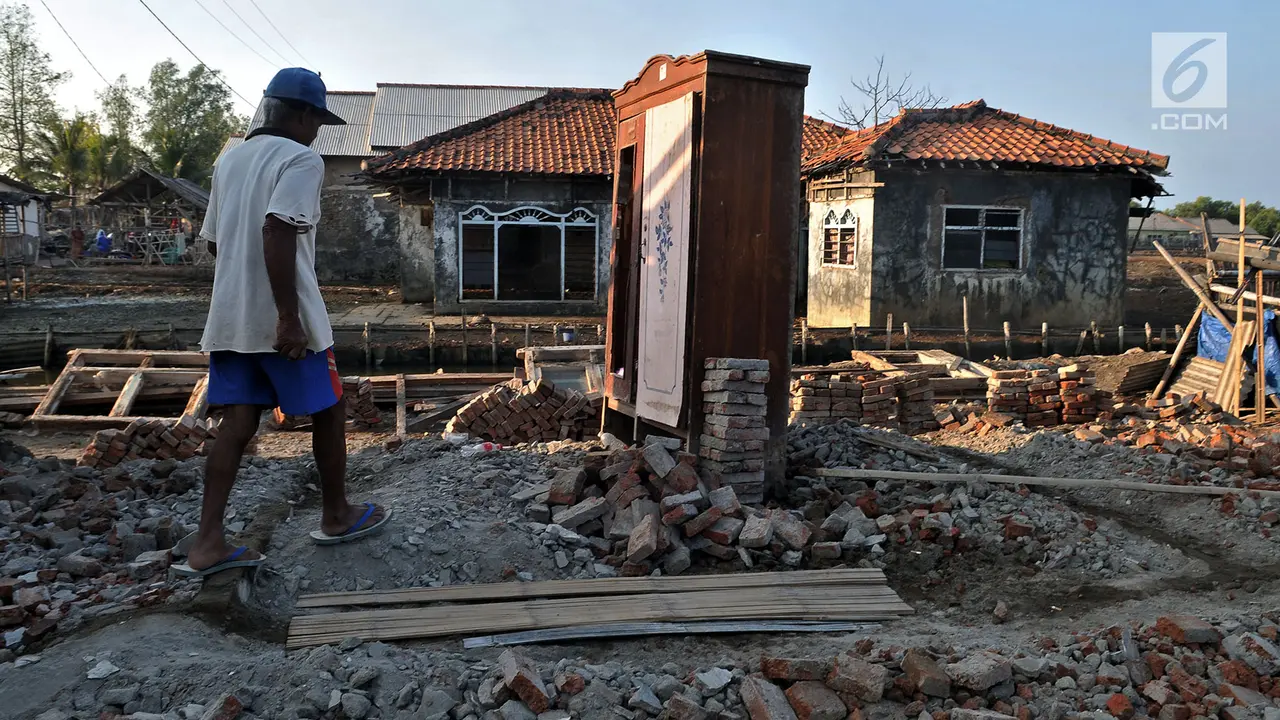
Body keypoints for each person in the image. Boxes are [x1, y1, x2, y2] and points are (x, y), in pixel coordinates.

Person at [173, 68, 389, 577]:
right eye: (316, 120)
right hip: (284, 321)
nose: (317, 132)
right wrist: (288, 318)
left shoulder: (230, 161)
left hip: (230, 319)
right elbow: (279, 228)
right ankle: (336, 515)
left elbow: (215, 243)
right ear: (300, 113)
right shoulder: (300, 158)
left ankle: (207, 544)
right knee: (331, 409)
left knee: (237, 421)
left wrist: (245, 292)